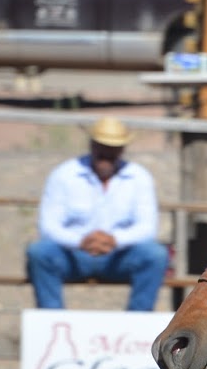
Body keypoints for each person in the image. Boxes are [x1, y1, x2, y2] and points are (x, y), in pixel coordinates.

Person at [26, 117, 168, 311]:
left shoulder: (139, 177)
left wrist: (114, 240)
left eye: (113, 147)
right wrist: (81, 241)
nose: (106, 153)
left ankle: (136, 325)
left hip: (119, 257)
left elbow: (147, 228)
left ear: (122, 149)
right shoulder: (65, 174)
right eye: (102, 146)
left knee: (155, 255)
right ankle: (53, 323)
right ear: (91, 144)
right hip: (73, 256)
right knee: (40, 252)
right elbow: (49, 226)